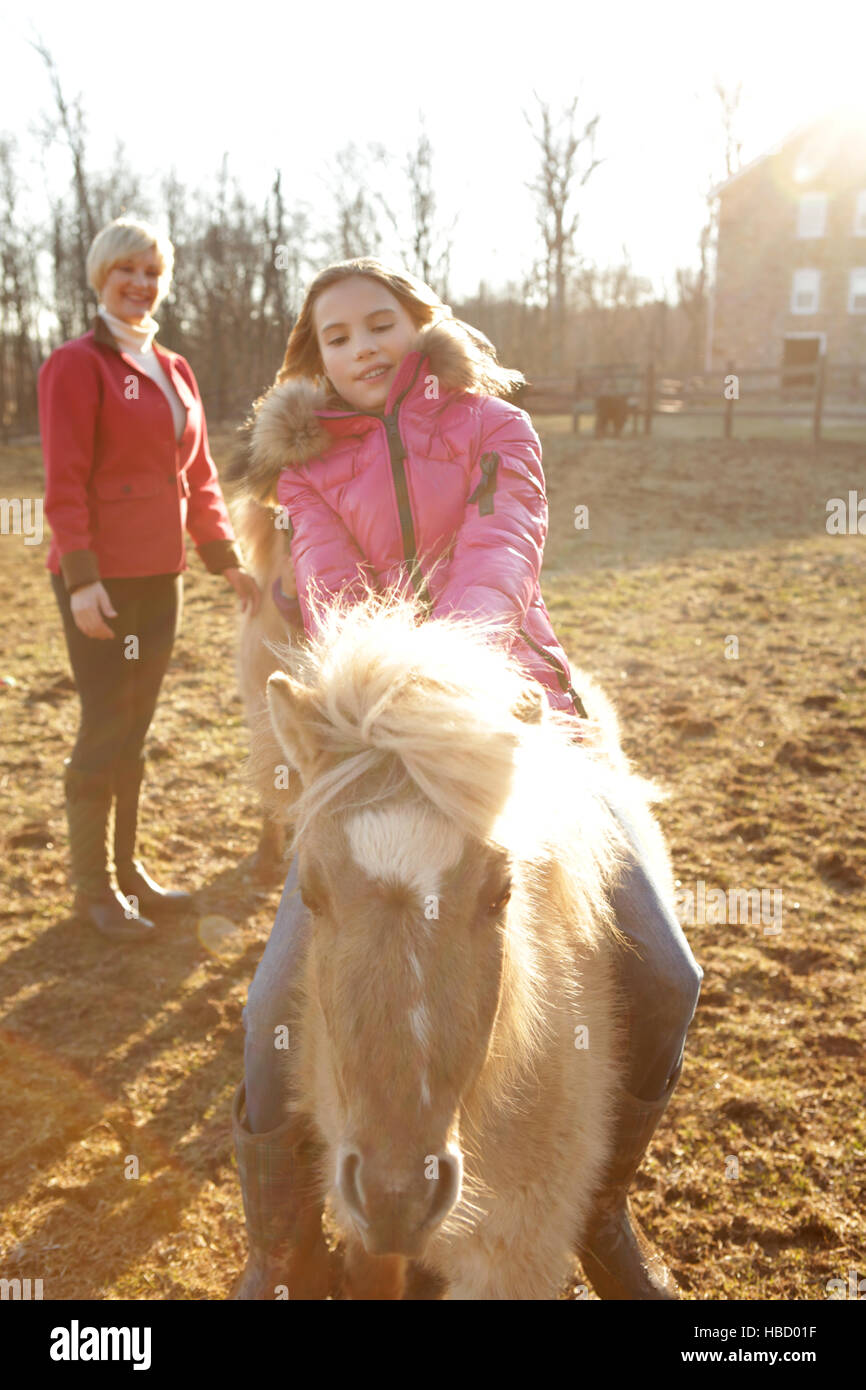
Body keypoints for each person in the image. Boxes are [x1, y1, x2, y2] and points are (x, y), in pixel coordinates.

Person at [228, 258, 702, 1299]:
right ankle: (276, 1245)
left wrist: (464, 686)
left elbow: (503, 547)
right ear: (315, 356)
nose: (362, 346)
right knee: (270, 1011)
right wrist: (403, 707)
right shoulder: (304, 474)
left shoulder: (497, 430)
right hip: (369, 745)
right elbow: (329, 587)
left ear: (418, 324)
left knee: (667, 971)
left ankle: (599, 1207)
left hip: (517, 716)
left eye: (378, 323)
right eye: (337, 335)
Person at [39, 217, 261, 943]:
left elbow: (196, 476)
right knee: (105, 723)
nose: (139, 285)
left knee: (138, 723)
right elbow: (63, 481)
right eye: (125, 272)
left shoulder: (176, 367)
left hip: (160, 575)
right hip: (100, 580)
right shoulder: (75, 365)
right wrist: (80, 578)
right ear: (102, 278)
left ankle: (129, 872)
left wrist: (225, 557)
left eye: (151, 273)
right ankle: (92, 890)